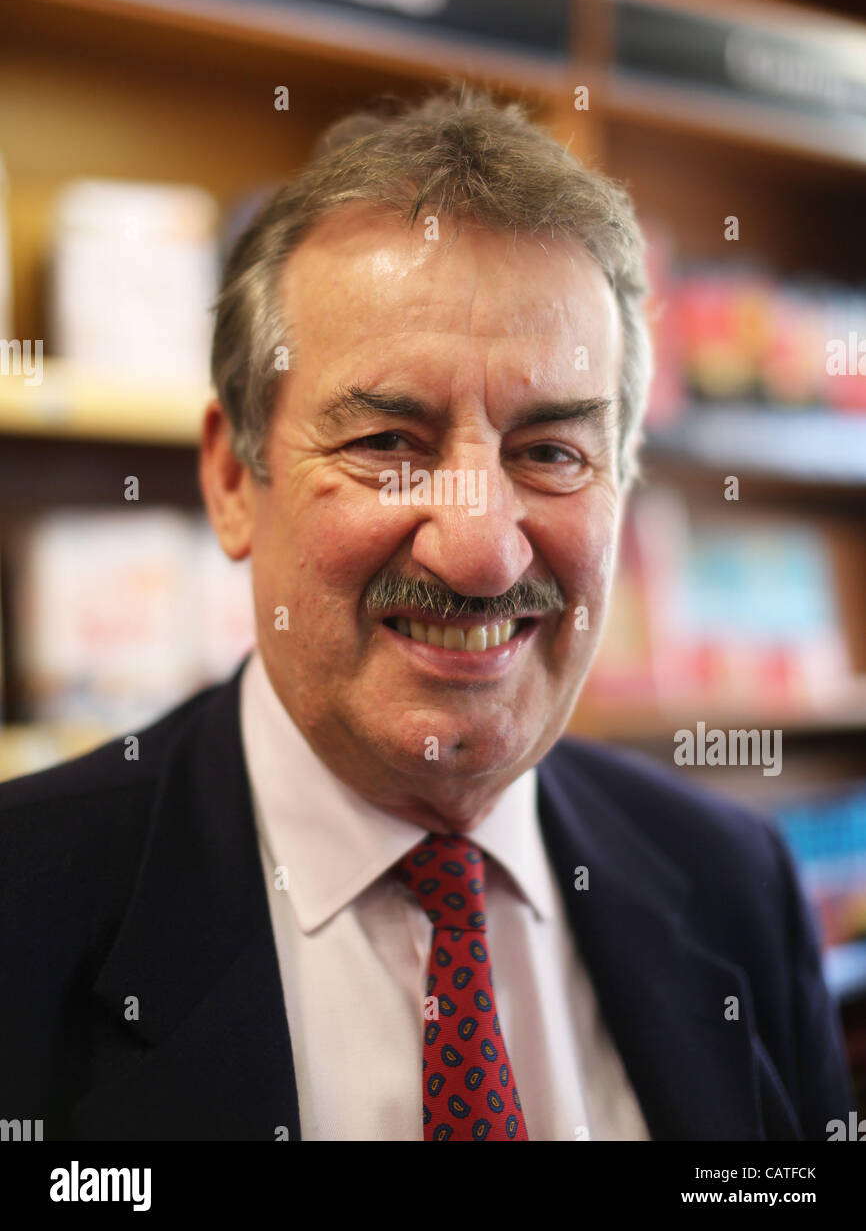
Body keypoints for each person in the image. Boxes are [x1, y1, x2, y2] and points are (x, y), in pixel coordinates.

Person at [0, 86, 853, 1141]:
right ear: (231, 478)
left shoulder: (735, 882)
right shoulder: (24, 906)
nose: (481, 550)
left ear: (620, 488)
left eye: (549, 452)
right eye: (387, 443)